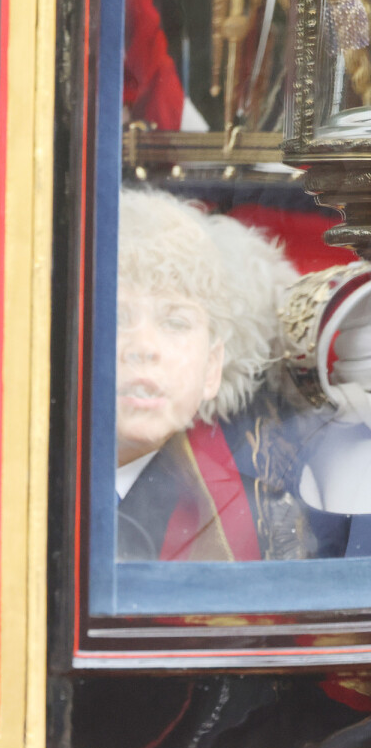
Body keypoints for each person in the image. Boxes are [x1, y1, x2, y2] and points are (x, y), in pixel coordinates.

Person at [114, 189, 318, 560]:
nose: (144, 345)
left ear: (212, 367)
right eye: (116, 317)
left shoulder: (261, 513)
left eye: (175, 321)